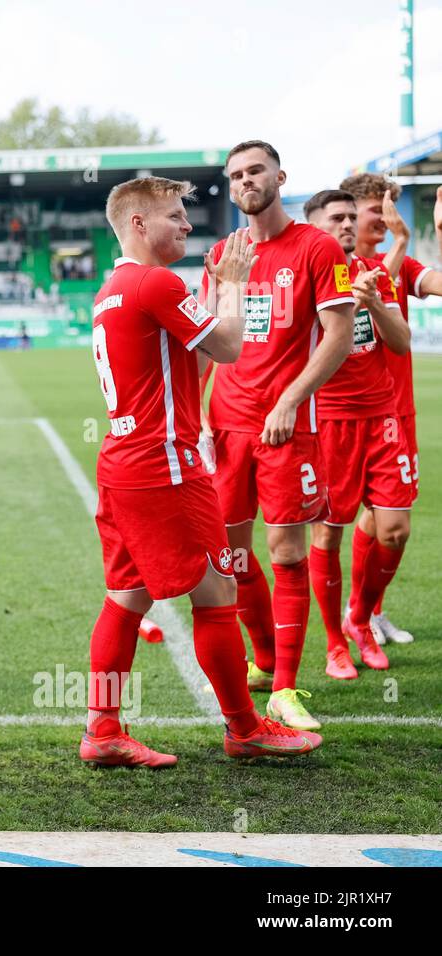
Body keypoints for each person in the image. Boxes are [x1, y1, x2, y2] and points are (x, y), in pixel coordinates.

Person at [82, 176, 319, 767]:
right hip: (163, 466)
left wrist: (213, 293)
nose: (187, 225)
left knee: (125, 598)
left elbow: (185, 347)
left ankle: (104, 729)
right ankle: (244, 729)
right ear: (138, 224)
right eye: (174, 215)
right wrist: (234, 284)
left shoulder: (113, 287)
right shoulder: (155, 281)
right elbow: (232, 347)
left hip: (123, 461)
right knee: (216, 595)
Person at [199, 141, 355, 731]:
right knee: (232, 557)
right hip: (227, 427)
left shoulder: (315, 247)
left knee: (287, 552)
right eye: (236, 175)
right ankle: (262, 659)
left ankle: (286, 688)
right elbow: (206, 341)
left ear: (279, 176)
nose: (245, 181)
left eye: (255, 170)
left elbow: (337, 334)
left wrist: (292, 398)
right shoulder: (220, 253)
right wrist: (193, 418)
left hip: (288, 428)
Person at [302, 190, 409, 677]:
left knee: (394, 528)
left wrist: (374, 303)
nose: (347, 225)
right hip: (328, 421)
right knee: (327, 534)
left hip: (382, 416)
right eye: (336, 218)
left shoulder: (374, 272)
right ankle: (333, 644)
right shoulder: (304, 277)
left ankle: (360, 620)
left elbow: (402, 342)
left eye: (351, 217)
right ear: (315, 226)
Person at [337, 175, 442, 646]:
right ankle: (353, 624)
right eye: (377, 207)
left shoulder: (393, 262)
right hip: (341, 414)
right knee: (339, 527)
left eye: (391, 207)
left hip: (396, 413)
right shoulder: (333, 263)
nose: (387, 217)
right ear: (349, 211)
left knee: (390, 526)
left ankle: (363, 613)